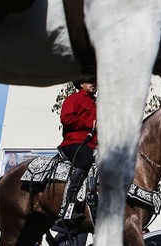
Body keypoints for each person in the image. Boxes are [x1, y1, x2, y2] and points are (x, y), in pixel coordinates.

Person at [58, 78, 97, 227]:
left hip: (93, 144)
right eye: (90, 81)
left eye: (95, 81)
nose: (94, 83)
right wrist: (90, 124)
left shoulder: (98, 105)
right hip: (74, 142)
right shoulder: (73, 99)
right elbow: (66, 119)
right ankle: (69, 204)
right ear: (81, 84)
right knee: (85, 158)